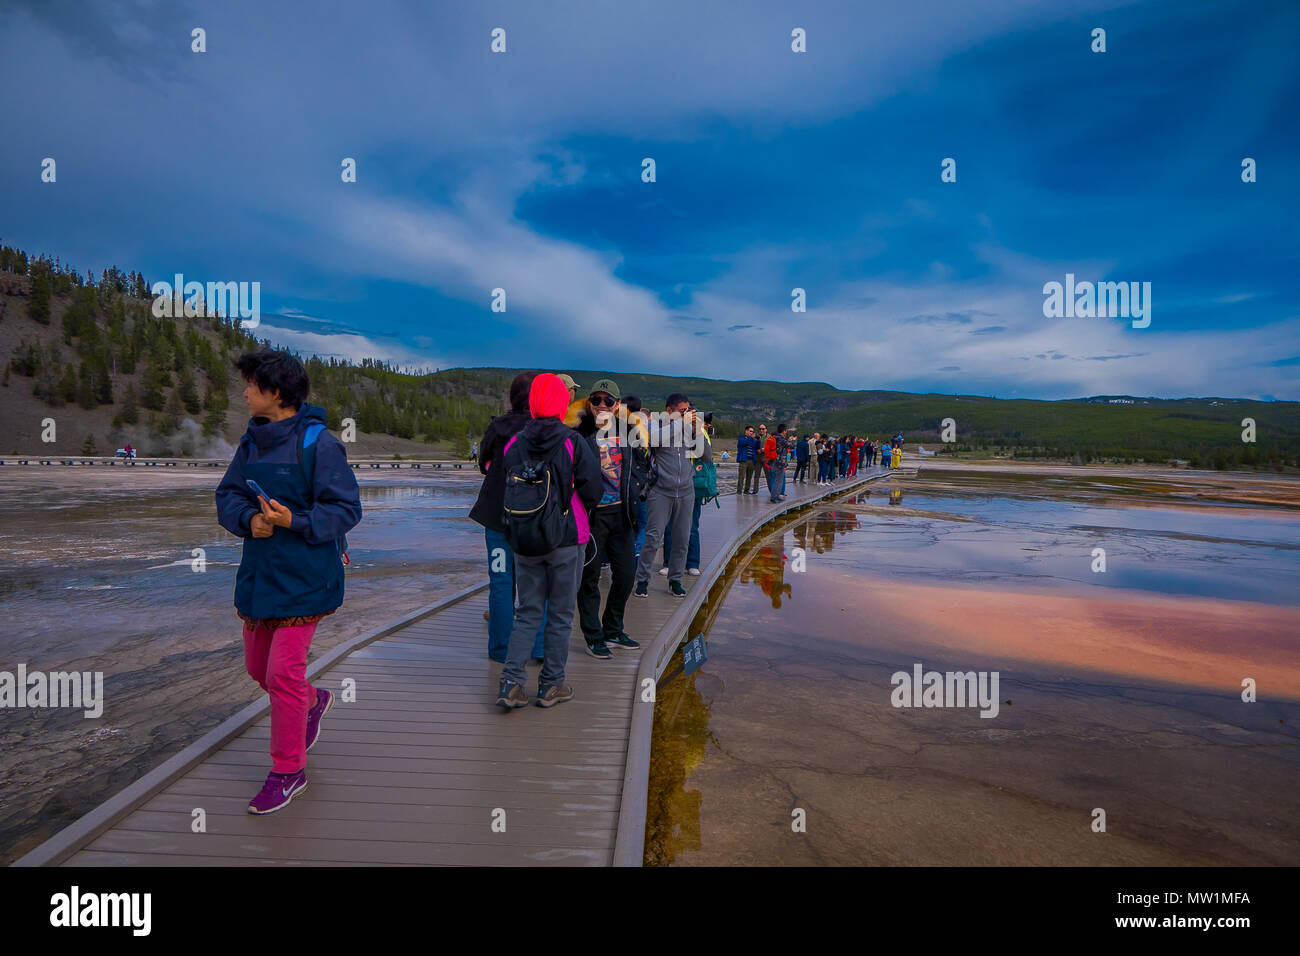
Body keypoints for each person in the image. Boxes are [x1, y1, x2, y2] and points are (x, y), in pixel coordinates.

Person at [215, 349, 362, 815]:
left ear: (274, 392)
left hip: (307, 580)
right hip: (260, 577)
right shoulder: (251, 442)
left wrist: (293, 520)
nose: (244, 392)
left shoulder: (319, 444)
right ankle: (313, 700)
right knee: (259, 671)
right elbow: (228, 495)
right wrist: (248, 520)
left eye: (251, 385)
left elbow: (346, 510)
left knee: (281, 674)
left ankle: (287, 770)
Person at [496, 373, 602, 709]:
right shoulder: (572, 442)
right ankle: (551, 686)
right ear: (561, 403)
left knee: (527, 613)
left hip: (525, 539)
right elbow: (592, 489)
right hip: (567, 539)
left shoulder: (515, 442)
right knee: (560, 615)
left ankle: (511, 684)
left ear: (531, 402)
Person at [469, 372, 546, 664]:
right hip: (535, 523)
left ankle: (500, 649)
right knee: (536, 584)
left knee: (501, 583)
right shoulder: (547, 431)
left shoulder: (497, 427)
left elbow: (485, 465)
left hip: (498, 519)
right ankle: (538, 649)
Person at [574, 378, 650, 660]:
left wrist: (639, 487)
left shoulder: (628, 432)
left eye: (608, 401)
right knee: (590, 579)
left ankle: (613, 628)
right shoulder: (579, 434)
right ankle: (593, 636)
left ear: (617, 405)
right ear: (590, 404)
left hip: (623, 513)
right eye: (596, 400)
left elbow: (643, 463)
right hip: (593, 516)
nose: (602, 405)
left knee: (626, 575)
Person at [634, 394, 711, 598]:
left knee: (682, 539)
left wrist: (697, 431)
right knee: (653, 537)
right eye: (682, 411)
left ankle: (675, 580)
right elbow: (655, 441)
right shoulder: (655, 426)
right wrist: (682, 424)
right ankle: (642, 580)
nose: (687, 415)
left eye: (688, 411)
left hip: (686, 491)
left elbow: (707, 456)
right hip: (660, 490)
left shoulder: (688, 431)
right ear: (669, 411)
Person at [662, 407, 713, 576]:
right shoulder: (669, 431)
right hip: (671, 484)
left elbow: (706, 455)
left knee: (692, 526)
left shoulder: (699, 432)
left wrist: (696, 431)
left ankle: (692, 562)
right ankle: (669, 562)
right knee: (670, 526)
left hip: (692, 483)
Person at [763, 423, 789, 502]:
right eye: (785, 431)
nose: (786, 432)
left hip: (773, 461)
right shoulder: (781, 439)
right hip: (779, 462)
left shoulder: (775, 437)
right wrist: (793, 440)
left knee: (776, 480)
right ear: (784, 431)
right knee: (778, 481)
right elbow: (791, 446)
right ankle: (774, 497)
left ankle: (776, 496)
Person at [736, 425, 758, 495]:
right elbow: (744, 443)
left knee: (749, 477)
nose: (752, 433)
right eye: (751, 431)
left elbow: (757, 447)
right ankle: (739, 491)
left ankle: (746, 491)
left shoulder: (752, 440)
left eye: (753, 431)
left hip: (752, 460)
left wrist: (758, 440)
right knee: (741, 477)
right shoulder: (741, 438)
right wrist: (751, 438)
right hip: (743, 460)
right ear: (746, 431)